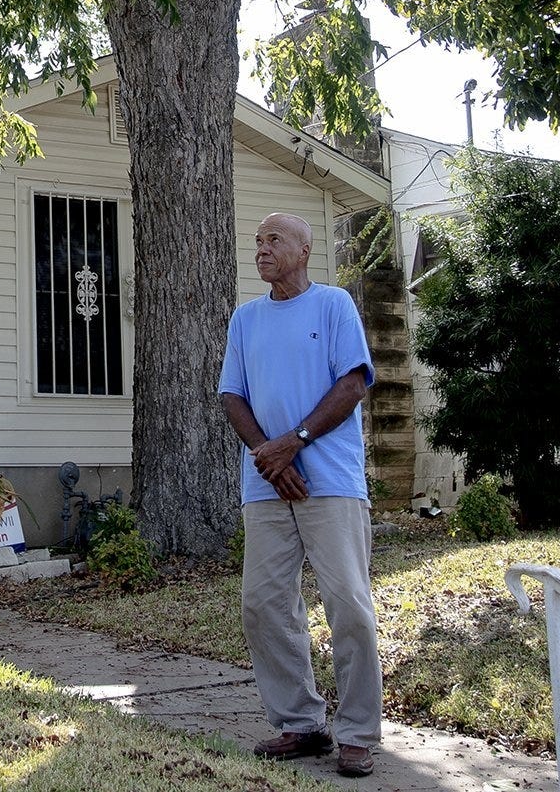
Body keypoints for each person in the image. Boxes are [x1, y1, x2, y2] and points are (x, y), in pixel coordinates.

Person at [218, 211, 382, 779]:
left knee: (350, 606)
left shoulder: (334, 305)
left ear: (305, 249)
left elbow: (353, 383)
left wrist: (296, 441)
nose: (262, 249)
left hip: (331, 483)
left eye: (274, 240)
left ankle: (358, 733)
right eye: (258, 241)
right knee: (264, 604)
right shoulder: (246, 318)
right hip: (266, 487)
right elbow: (233, 396)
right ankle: (301, 723)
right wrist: (269, 454)